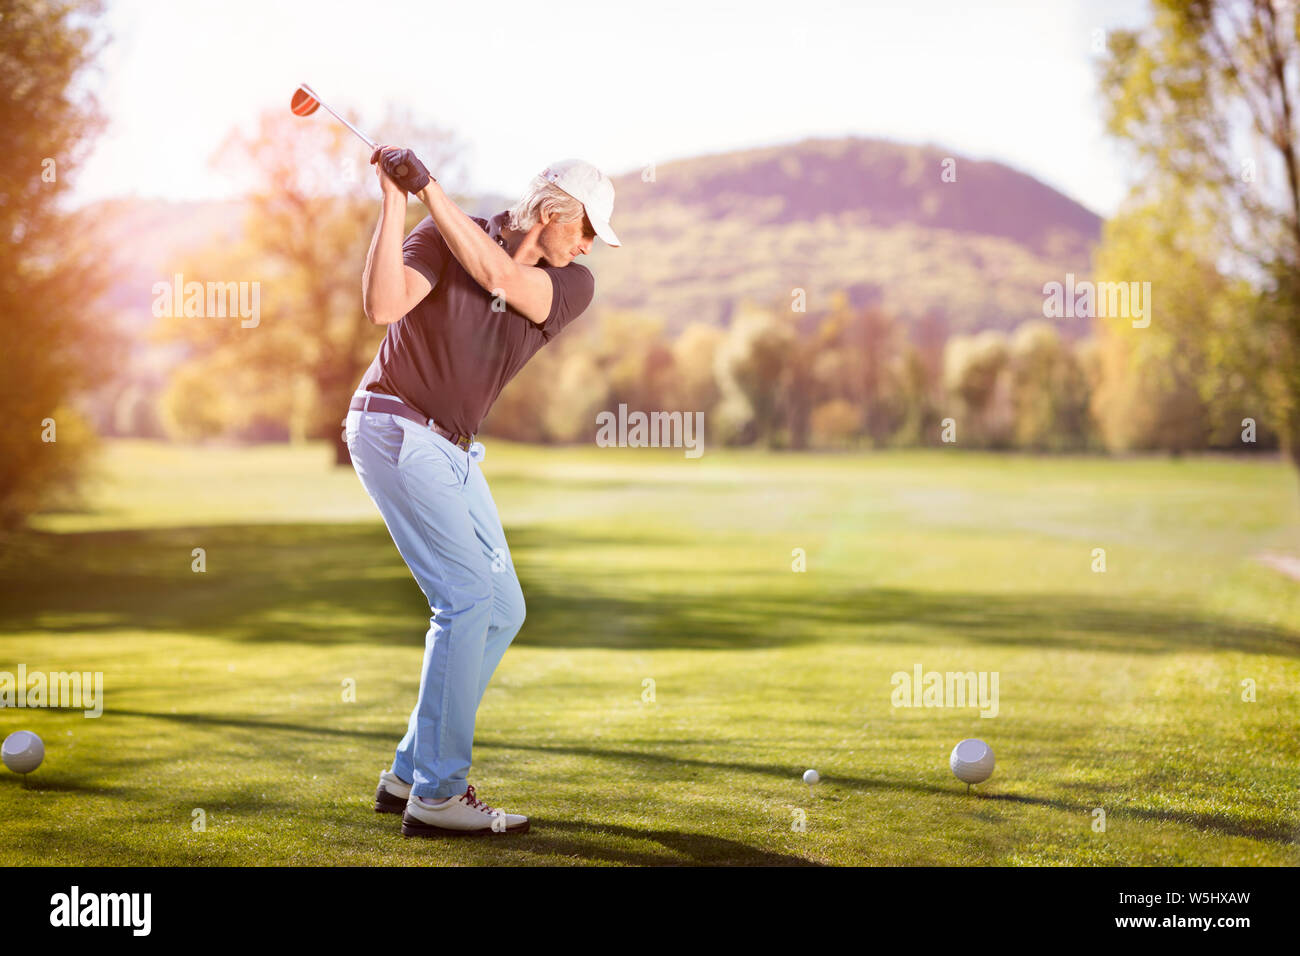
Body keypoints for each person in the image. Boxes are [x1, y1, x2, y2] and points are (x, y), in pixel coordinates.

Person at [343, 146, 620, 836]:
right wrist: (395, 202)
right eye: (586, 228)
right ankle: (439, 793)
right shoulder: (439, 233)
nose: (589, 245)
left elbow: (497, 273)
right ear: (555, 210)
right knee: (465, 599)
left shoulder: (571, 285)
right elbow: (383, 305)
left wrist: (428, 186)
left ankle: (410, 771)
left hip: (453, 451)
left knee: (502, 606)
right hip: (395, 427)